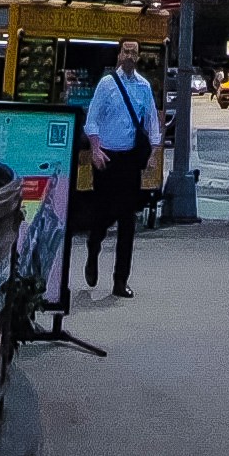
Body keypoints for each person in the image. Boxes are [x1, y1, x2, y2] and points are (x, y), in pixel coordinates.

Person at [81, 37, 159, 298]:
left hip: (129, 161)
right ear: (118, 55)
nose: (129, 56)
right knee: (102, 216)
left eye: (134, 52)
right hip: (107, 159)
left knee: (128, 223)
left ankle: (119, 281)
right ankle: (93, 250)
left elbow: (152, 123)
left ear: (138, 57)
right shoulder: (107, 85)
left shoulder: (143, 87)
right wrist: (95, 150)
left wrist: (152, 154)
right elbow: (91, 121)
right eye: (126, 51)